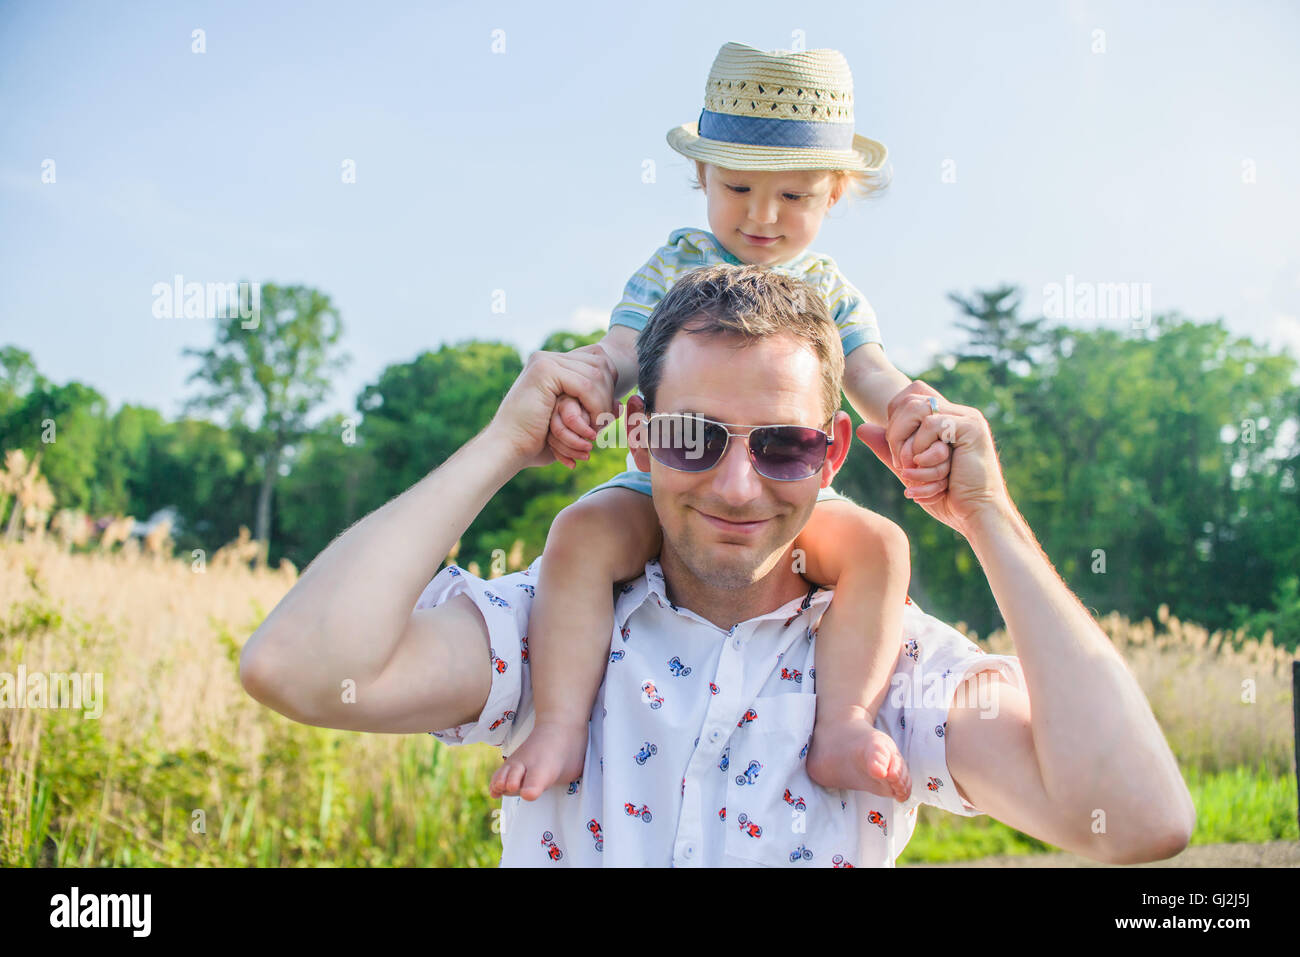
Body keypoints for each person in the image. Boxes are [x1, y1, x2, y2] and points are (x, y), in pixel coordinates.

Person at [239, 263, 1196, 868]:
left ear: (830, 457)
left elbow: (1139, 817)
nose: (738, 486)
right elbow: (298, 668)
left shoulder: (890, 671)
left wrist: (987, 517)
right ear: (641, 441)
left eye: (781, 446)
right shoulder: (548, 630)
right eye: (696, 438)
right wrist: (500, 446)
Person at [503, 41, 945, 804]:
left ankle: (842, 724)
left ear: (834, 193)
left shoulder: (830, 290)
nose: (763, 216)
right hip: (666, 475)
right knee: (578, 535)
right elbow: (621, 354)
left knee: (880, 545)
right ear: (701, 176)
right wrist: (581, 392)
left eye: (795, 197)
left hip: (787, 478)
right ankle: (561, 724)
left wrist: (911, 406)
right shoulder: (674, 264)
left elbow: (868, 373)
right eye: (738, 187)